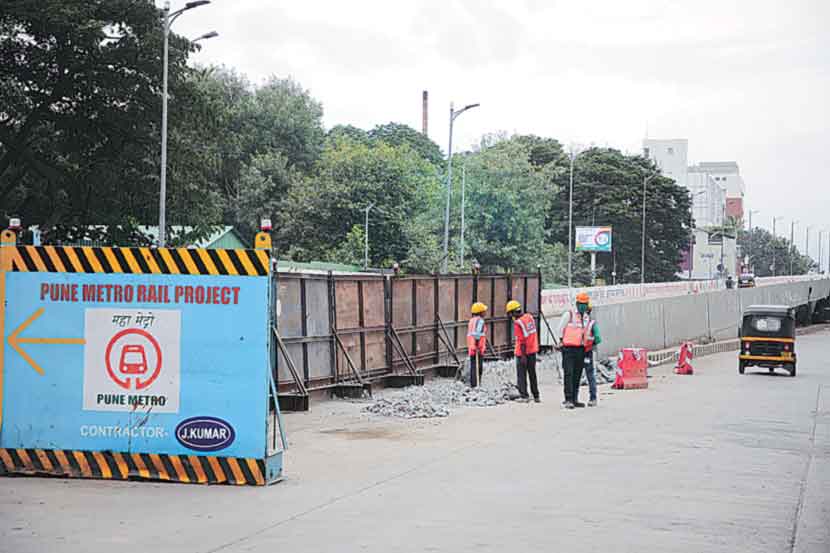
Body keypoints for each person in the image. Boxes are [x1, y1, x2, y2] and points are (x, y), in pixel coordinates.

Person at [557, 292, 598, 409]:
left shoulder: (586, 317)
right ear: (577, 303)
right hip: (568, 349)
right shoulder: (569, 314)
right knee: (568, 374)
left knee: (577, 374)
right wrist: (560, 342)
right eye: (581, 304)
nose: (583, 306)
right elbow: (560, 329)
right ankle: (568, 399)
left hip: (581, 349)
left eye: (585, 304)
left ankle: (575, 399)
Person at [506, 300, 540, 403]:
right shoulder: (529, 317)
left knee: (521, 375)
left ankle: (524, 395)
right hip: (532, 350)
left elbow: (522, 341)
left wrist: (523, 356)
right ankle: (536, 395)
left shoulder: (518, 323)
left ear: (513, 312)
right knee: (532, 374)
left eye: (510, 314)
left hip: (523, 353)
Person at [583, 300, 603, 407]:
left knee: (575, 375)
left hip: (578, 351)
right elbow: (598, 338)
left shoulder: (577, 322)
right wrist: (591, 344)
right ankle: (593, 398)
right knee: (590, 375)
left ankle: (573, 398)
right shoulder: (592, 323)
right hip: (588, 352)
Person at [467, 302, 488, 387]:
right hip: (477, 347)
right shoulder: (480, 321)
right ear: (480, 312)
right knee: (478, 367)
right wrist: (477, 346)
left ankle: (473, 384)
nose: (485, 313)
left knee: (473, 366)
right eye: (484, 311)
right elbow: (477, 334)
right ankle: (477, 384)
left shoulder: (471, 321)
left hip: (471, 347)